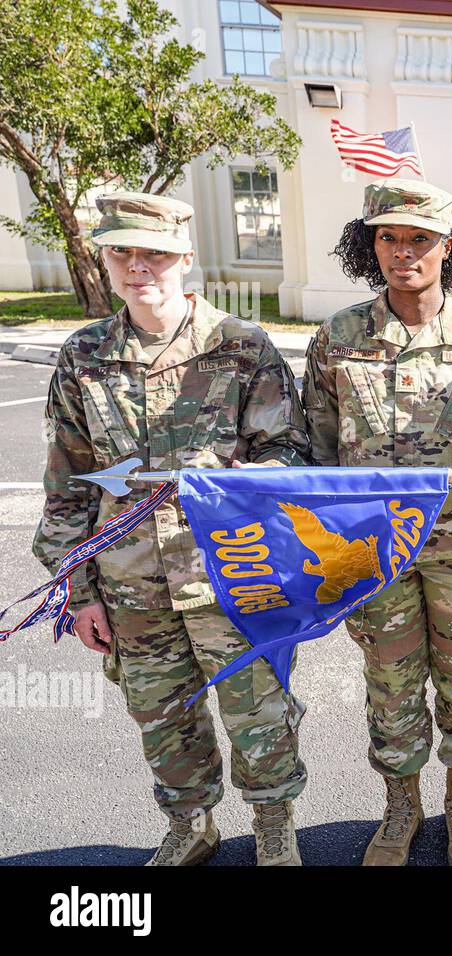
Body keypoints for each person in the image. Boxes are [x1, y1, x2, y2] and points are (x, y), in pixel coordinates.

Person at [34, 192, 311, 866]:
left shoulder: (240, 347)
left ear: (186, 257)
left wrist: (245, 477)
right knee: (161, 717)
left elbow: (291, 454)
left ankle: (274, 826)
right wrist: (80, 591)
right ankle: (191, 824)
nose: (138, 266)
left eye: (153, 252)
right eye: (121, 251)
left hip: (234, 575)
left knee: (259, 712)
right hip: (130, 584)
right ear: (105, 259)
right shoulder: (84, 355)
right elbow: (67, 480)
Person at [301, 180, 452, 867]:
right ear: (368, 245)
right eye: (388, 237)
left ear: (447, 248)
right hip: (365, 550)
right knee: (391, 680)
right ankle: (402, 805)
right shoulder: (338, 339)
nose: (403, 252)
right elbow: (310, 445)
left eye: (419, 239)